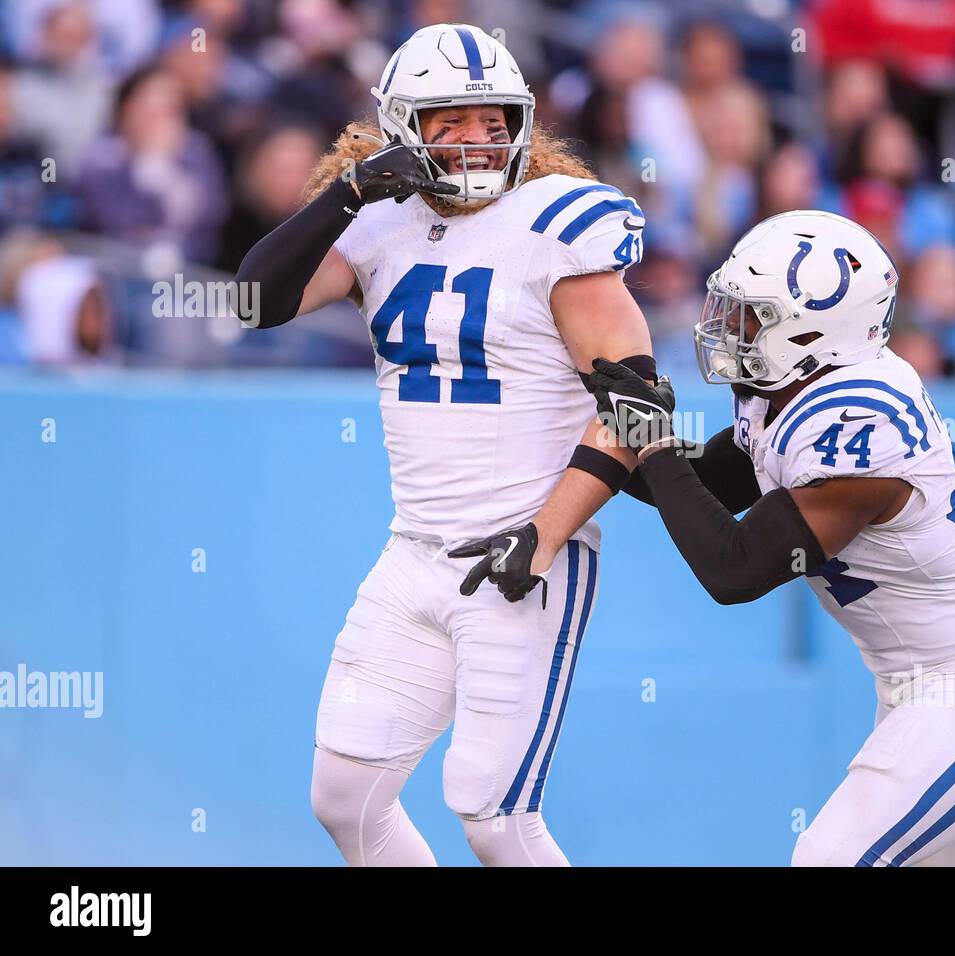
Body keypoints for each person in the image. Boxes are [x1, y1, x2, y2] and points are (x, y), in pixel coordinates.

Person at [589, 210, 955, 866]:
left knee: (830, 858)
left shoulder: (857, 425)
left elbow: (733, 570)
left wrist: (653, 447)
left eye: (753, 315)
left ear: (818, 331)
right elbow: (700, 483)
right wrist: (616, 425)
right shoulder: (788, 389)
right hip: (920, 689)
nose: (729, 328)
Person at [235, 23, 655, 867]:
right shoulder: (376, 223)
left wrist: (540, 538)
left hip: (527, 553)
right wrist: (348, 193)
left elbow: (642, 413)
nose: (477, 140)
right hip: (414, 552)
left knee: (496, 820)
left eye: (492, 119)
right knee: (345, 798)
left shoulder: (560, 223)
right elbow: (251, 302)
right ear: (402, 127)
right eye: (450, 121)